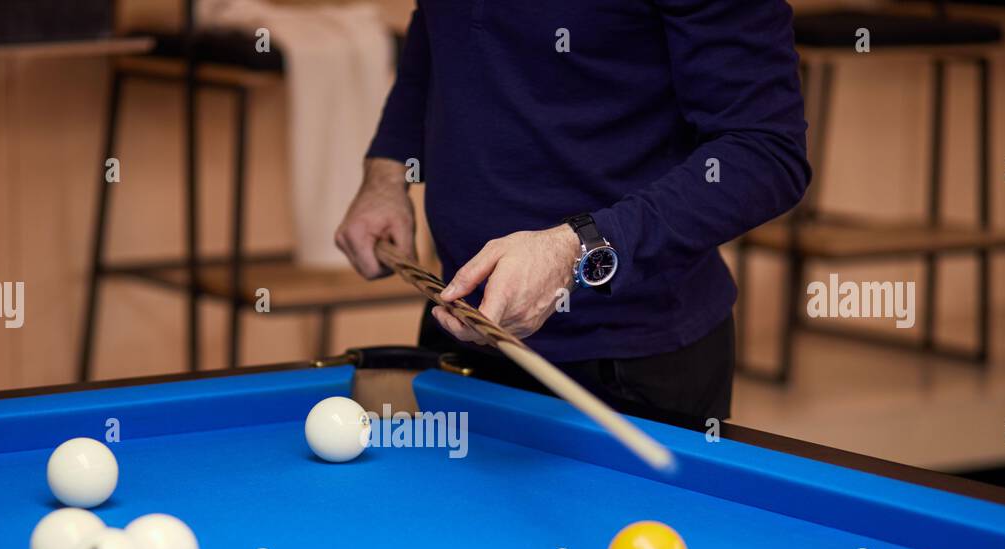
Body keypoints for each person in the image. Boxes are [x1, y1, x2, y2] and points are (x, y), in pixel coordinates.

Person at [335, 1, 811, 424]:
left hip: (630, 366)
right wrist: (387, 169)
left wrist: (578, 249)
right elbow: (436, 27)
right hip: (458, 326)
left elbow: (767, 152)